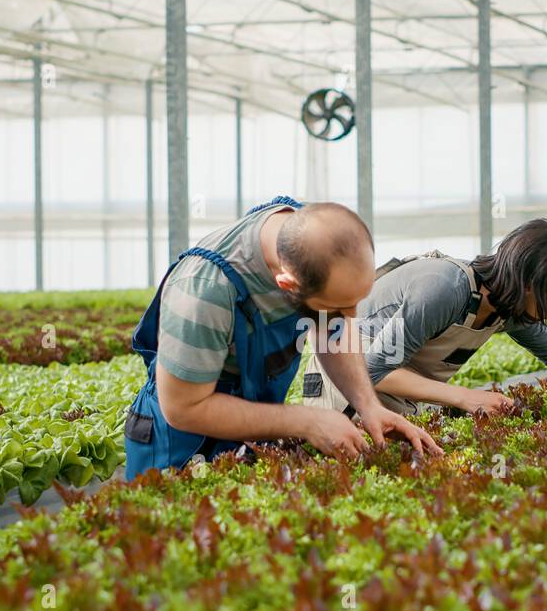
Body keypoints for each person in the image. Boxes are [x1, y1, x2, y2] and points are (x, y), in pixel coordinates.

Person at [124, 195, 442, 481]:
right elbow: (184, 408)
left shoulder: (316, 240)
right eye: (339, 307)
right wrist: (307, 420)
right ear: (286, 285)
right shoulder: (204, 291)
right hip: (177, 445)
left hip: (248, 428)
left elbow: (331, 330)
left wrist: (368, 405)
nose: (351, 318)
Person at [301, 217, 547, 417]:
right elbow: (372, 370)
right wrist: (465, 397)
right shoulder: (445, 287)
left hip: (387, 394)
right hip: (345, 385)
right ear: (531, 282)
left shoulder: (506, 308)